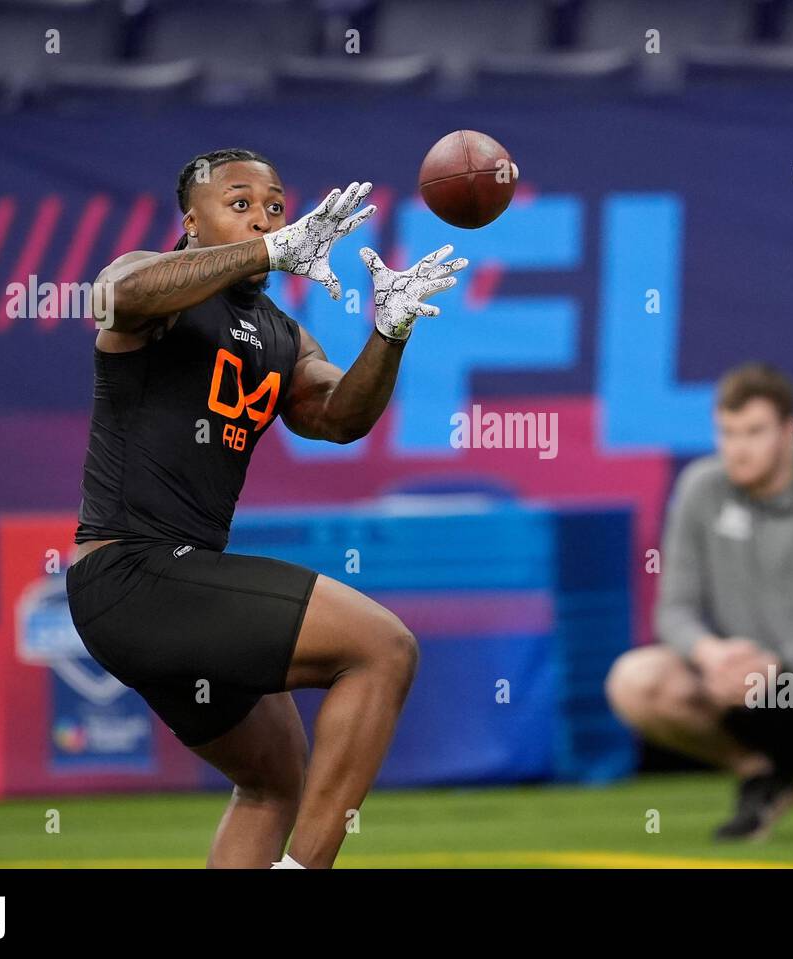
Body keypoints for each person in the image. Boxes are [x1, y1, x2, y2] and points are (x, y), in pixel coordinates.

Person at [65, 147, 468, 868]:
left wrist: (391, 331)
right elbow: (112, 298)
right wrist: (273, 248)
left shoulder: (280, 333)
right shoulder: (154, 284)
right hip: (130, 572)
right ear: (191, 222)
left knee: (272, 776)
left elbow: (338, 417)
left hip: (170, 583)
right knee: (382, 648)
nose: (262, 216)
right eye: (240, 202)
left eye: (275, 206)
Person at [605, 363, 793, 839]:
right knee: (633, 680)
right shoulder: (699, 489)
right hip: (739, 688)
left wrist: (781, 663)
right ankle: (760, 775)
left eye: (753, 432)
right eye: (727, 433)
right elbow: (674, 611)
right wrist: (714, 655)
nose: (738, 448)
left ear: (790, 431)